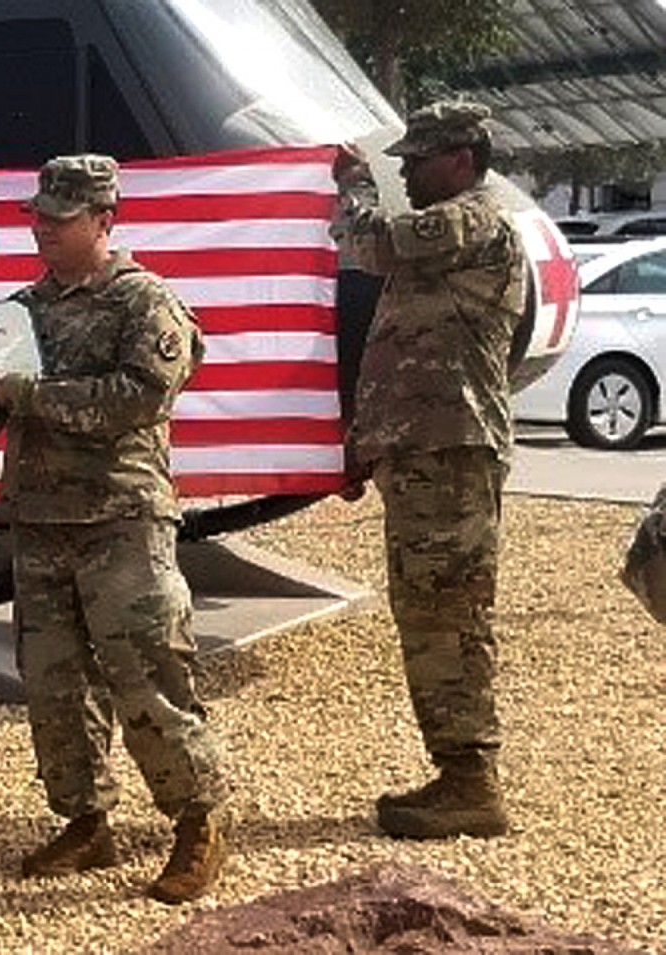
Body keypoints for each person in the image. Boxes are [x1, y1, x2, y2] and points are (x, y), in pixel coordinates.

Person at [0, 154, 227, 904]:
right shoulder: (20, 311)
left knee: (148, 670)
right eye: (38, 216)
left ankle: (198, 819)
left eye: (60, 218)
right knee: (55, 681)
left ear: (103, 221)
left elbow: (134, 400)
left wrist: (23, 391)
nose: (43, 229)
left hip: (121, 518)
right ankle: (85, 820)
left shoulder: (143, 302)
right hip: (41, 520)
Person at [332, 101, 527, 839]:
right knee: (426, 610)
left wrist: (352, 183)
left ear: (463, 160)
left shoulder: (474, 220)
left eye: (419, 159)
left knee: (450, 612)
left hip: (450, 452)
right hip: (424, 449)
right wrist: (368, 439)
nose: (405, 171)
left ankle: (473, 779)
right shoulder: (452, 237)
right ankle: (458, 770)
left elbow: (370, 244)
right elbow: (406, 351)